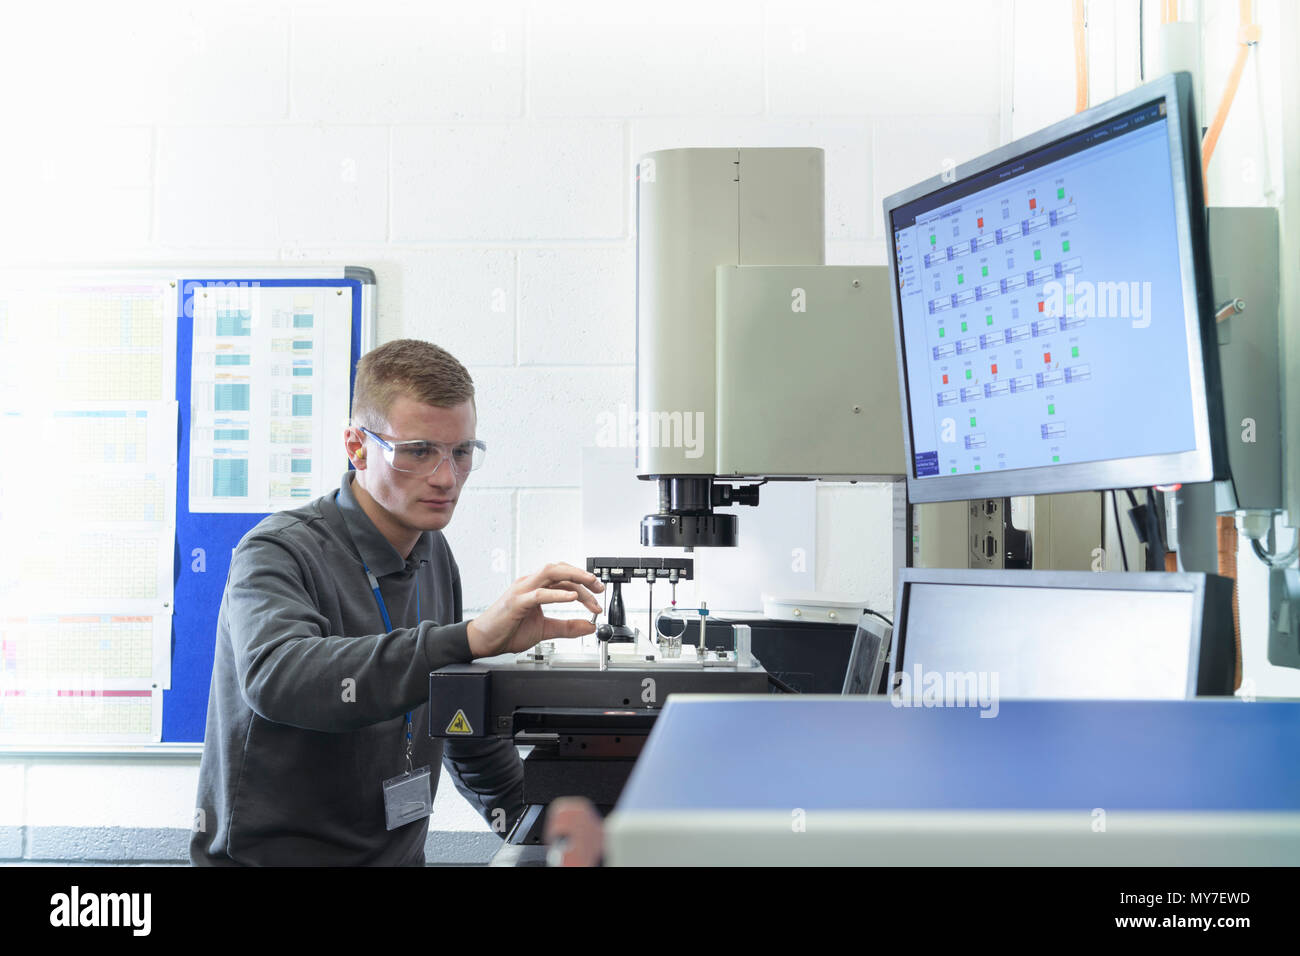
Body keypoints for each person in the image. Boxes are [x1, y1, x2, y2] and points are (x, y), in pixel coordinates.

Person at [190, 338, 603, 866]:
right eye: (418, 451)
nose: (446, 478)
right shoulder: (278, 550)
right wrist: (470, 638)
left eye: (461, 453)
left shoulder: (434, 554)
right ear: (356, 446)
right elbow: (280, 678)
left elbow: (462, 727)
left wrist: (557, 833)